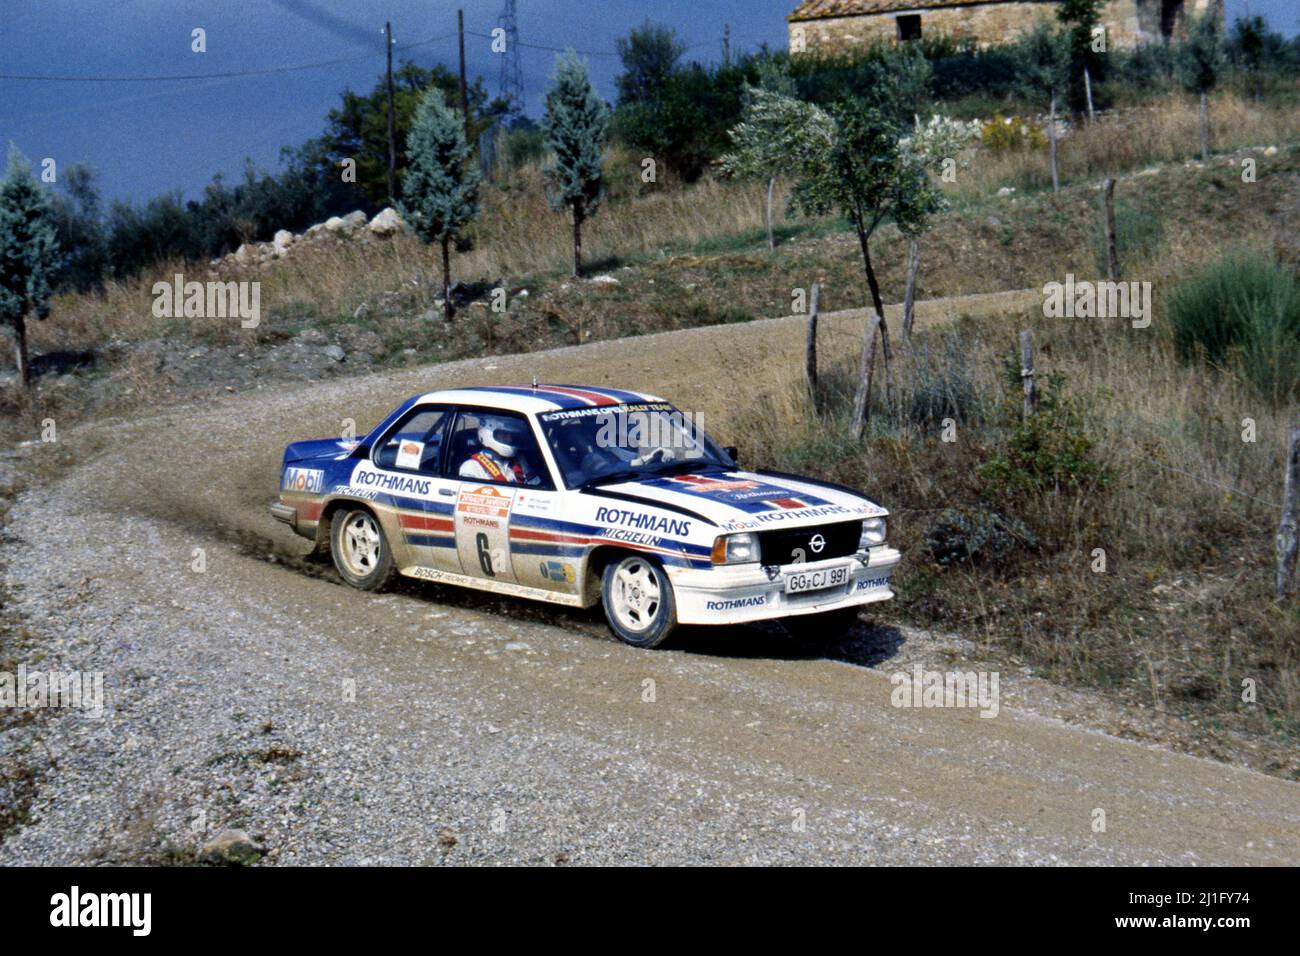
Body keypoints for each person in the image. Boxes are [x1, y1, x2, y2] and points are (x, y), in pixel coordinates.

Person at [459, 415, 533, 484]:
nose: (509, 439)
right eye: (504, 434)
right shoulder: (472, 466)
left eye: (511, 435)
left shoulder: (519, 461)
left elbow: (534, 483)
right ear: (487, 433)